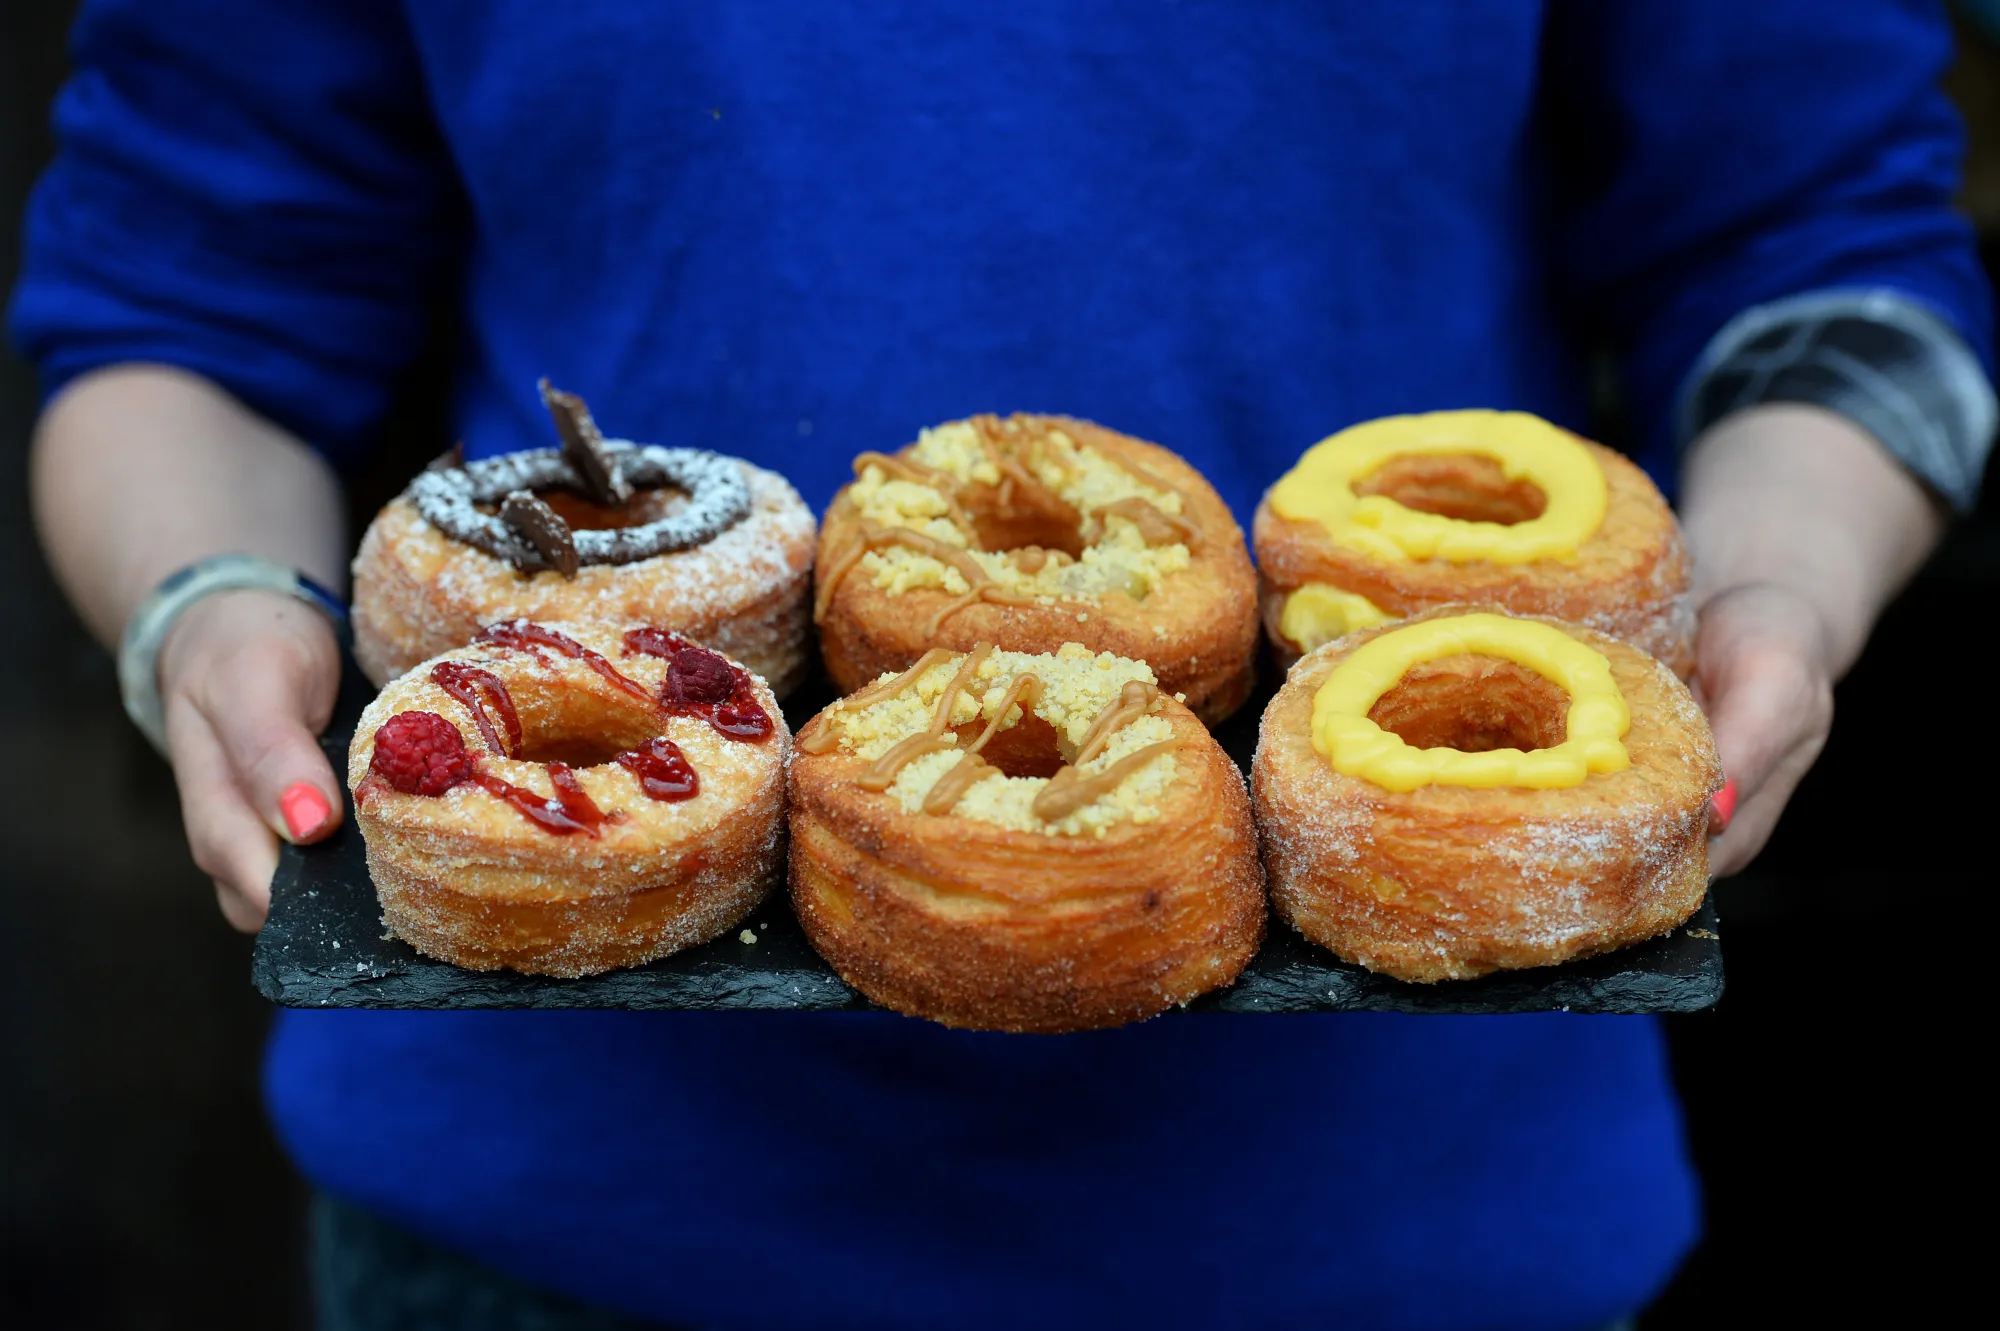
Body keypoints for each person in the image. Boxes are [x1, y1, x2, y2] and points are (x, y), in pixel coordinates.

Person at [10, 3, 1993, 1327]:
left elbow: (1823, 234)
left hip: (1410, 1223)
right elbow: (185, 279)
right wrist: (199, 596)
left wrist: (1772, 585)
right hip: (539, 1212)